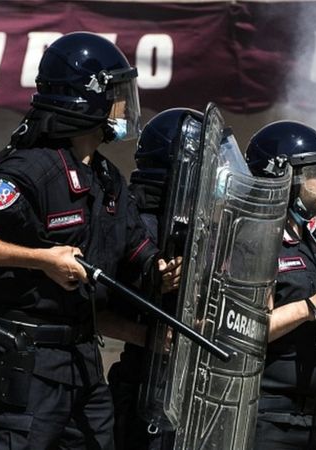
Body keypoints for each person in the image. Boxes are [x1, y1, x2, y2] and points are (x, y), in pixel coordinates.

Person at [0, 32, 177, 449]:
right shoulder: (31, 170)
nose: (124, 107)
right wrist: (43, 259)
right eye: (116, 94)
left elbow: (137, 249)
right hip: (25, 359)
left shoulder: (108, 179)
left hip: (82, 359)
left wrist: (162, 269)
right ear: (87, 98)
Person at [245, 120, 316, 449]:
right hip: (268, 416)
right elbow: (244, 329)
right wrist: (306, 309)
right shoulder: (254, 242)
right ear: (285, 177)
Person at [103, 107, 201, 450]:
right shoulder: (135, 224)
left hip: (192, 388)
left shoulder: (199, 228)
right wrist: (151, 336)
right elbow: (93, 311)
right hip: (146, 386)